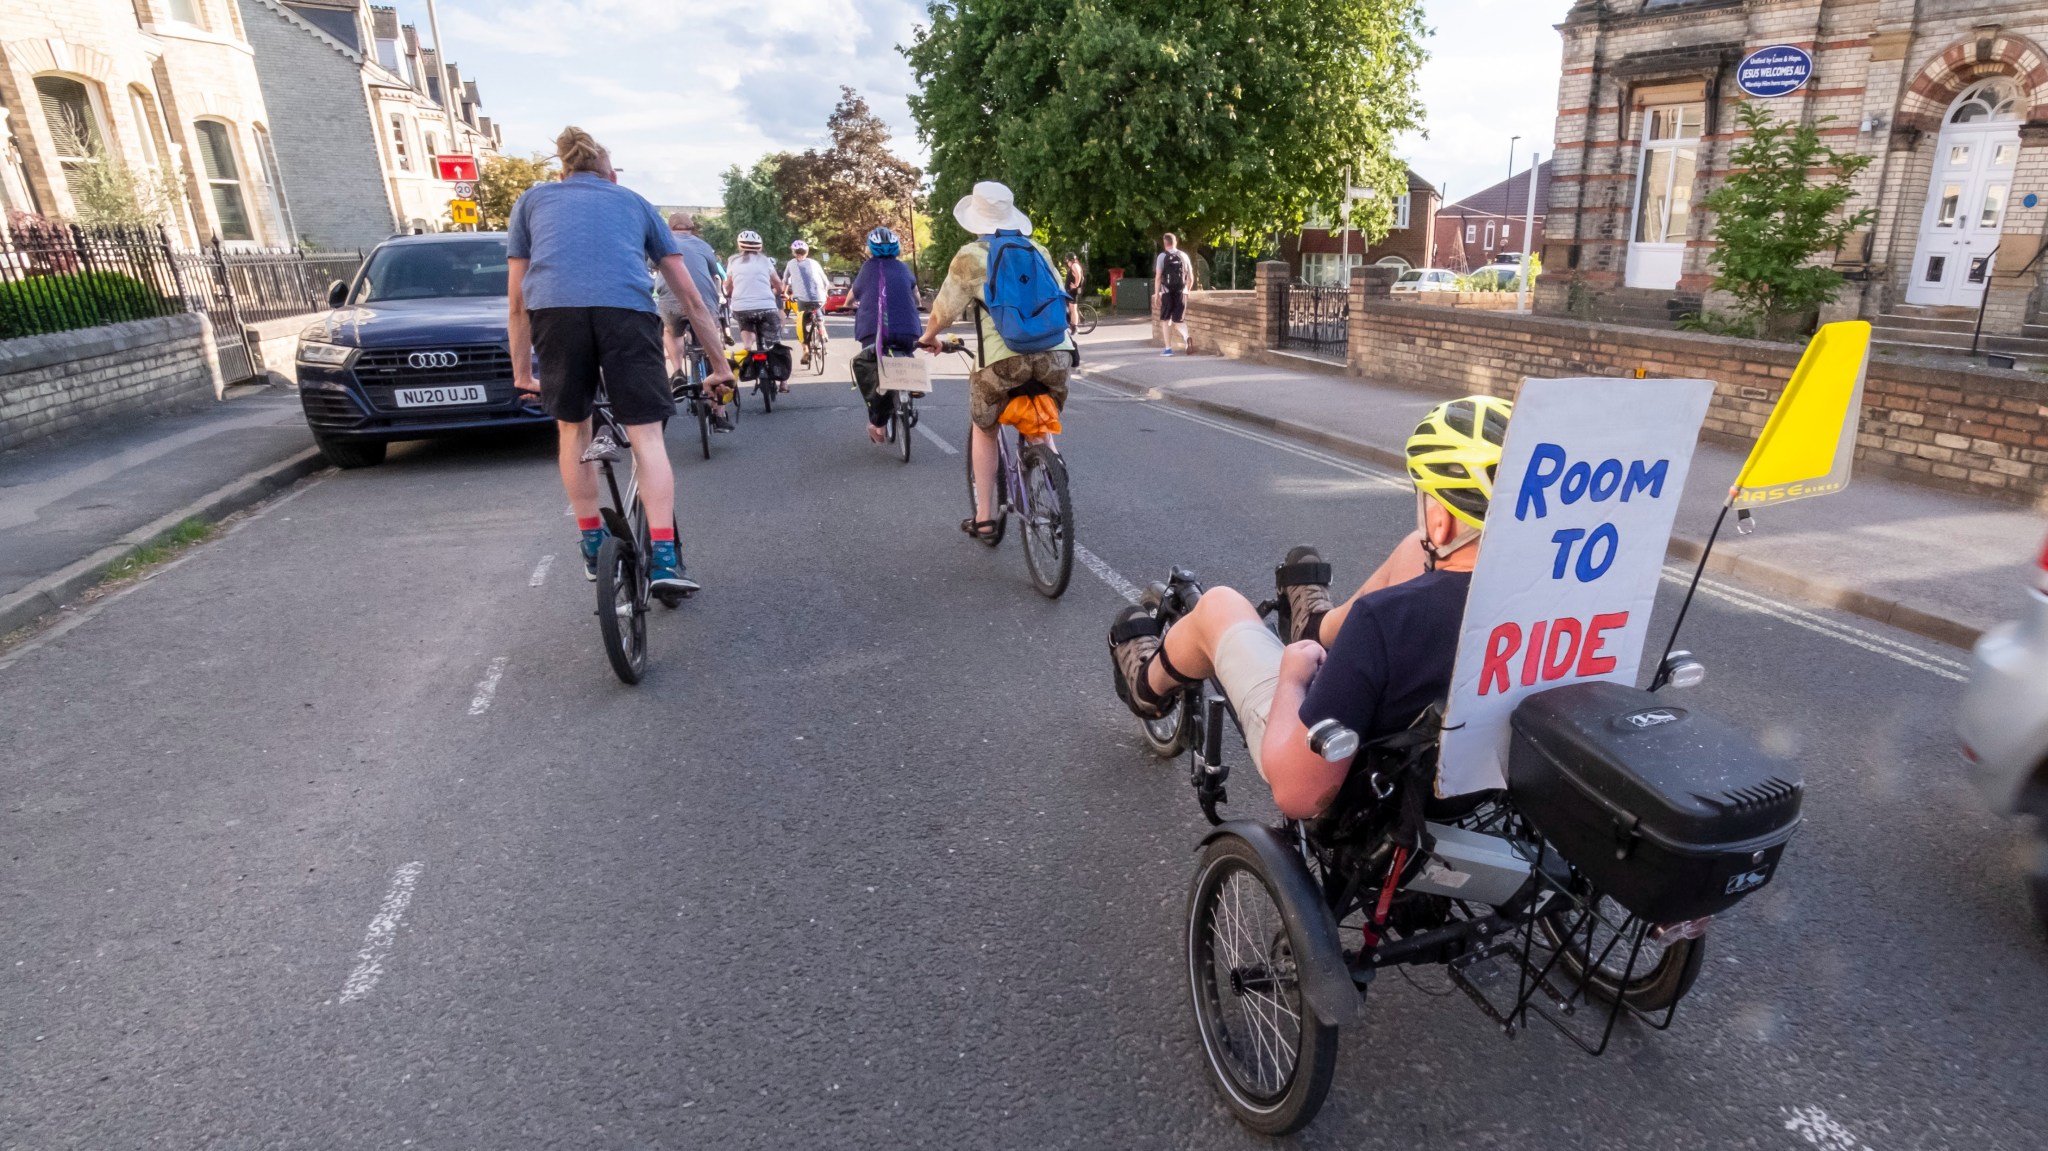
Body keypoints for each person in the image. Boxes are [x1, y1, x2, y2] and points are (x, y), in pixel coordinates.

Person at [1106, 396, 1512, 819]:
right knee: (1417, 549)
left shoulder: (1384, 622)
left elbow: (1298, 794)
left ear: (1441, 519)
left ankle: (1147, 689)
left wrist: (1291, 680)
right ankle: (1315, 627)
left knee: (1218, 605)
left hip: (1362, 791)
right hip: (1478, 783)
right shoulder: (1570, 609)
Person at [507, 126, 734, 594]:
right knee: (646, 435)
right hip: (626, 315)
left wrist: (523, 374)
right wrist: (720, 365)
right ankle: (665, 560)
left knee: (574, 428)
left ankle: (592, 542)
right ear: (610, 175)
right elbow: (691, 298)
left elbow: (516, 302)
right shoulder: (634, 202)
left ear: (563, 172)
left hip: (556, 315)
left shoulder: (532, 202)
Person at [916, 181, 1076, 541]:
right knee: (1038, 418)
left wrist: (929, 339)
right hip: (1056, 354)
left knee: (985, 427)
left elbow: (944, 311)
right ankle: (1054, 475)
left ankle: (985, 516)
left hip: (1002, 361)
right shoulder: (1038, 249)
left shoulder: (971, 255)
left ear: (976, 218)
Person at [658, 212, 733, 432]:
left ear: (670, 228)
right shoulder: (703, 245)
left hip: (670, 300)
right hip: (703, 302)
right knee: (713, 349)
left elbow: (652, 265)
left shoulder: (662, 241)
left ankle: (678, 372)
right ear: (691, 228)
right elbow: (714, 273)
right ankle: (719, 413)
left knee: (671, 332)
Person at [848, 226, 923, 444]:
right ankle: (913, 385)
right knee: (907, 351)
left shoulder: (867, 269)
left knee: (873, 371)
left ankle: (877, 423)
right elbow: (916, 296)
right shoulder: (903, 268)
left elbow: (851, 298)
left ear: (870, 249)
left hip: (874, 331)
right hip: (908, 330)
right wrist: (917, 305)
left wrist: (849, 305)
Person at [725, 230, 786, 358]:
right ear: (760, 246)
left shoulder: (733, 260)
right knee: (775, 345)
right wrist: (776, 292)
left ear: (739, 245)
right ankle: (782, 378)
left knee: (746, 325)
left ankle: (747, 347)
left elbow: (728, 285)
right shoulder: (765, 261)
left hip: (741, 307)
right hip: (766, 306)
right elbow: (778, 283)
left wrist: (730, 294)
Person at [782, 239, 830, 366]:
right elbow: (825, 280)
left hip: (802, 300)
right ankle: (822, 330)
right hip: (819, 298)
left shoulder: (791, 263)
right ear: (807, 252)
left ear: (793, 252)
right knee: (818, 310)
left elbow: (785, 281)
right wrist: (825, 292)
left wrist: (785, 294)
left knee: (800, 323)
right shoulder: (814, 263)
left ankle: (805, 349)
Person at [1153, 233, 1194, 356]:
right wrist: (1187, 290)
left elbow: (1158, 277)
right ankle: (1187, 337)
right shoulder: (1183, 256)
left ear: (1165, 243)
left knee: (1166, 320)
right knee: (1178, 319)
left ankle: (1168, 349)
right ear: (1175, 242)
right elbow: (1191, 277)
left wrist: (1156, 294)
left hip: (1166, 292)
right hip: (1181, 291)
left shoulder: (1162, 256)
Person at [1062, 253, 1085, 331]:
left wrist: (1076, 285)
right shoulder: (1074, 265)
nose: (1066, 262)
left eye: (1067, 260)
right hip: (1070, 291)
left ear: (1070, 259)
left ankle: (1075, 327)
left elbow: (1078, 275)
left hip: (1072, 291)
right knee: (1070, 308)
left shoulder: (1074, 265)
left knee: (1073, 309)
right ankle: (1072, 324)